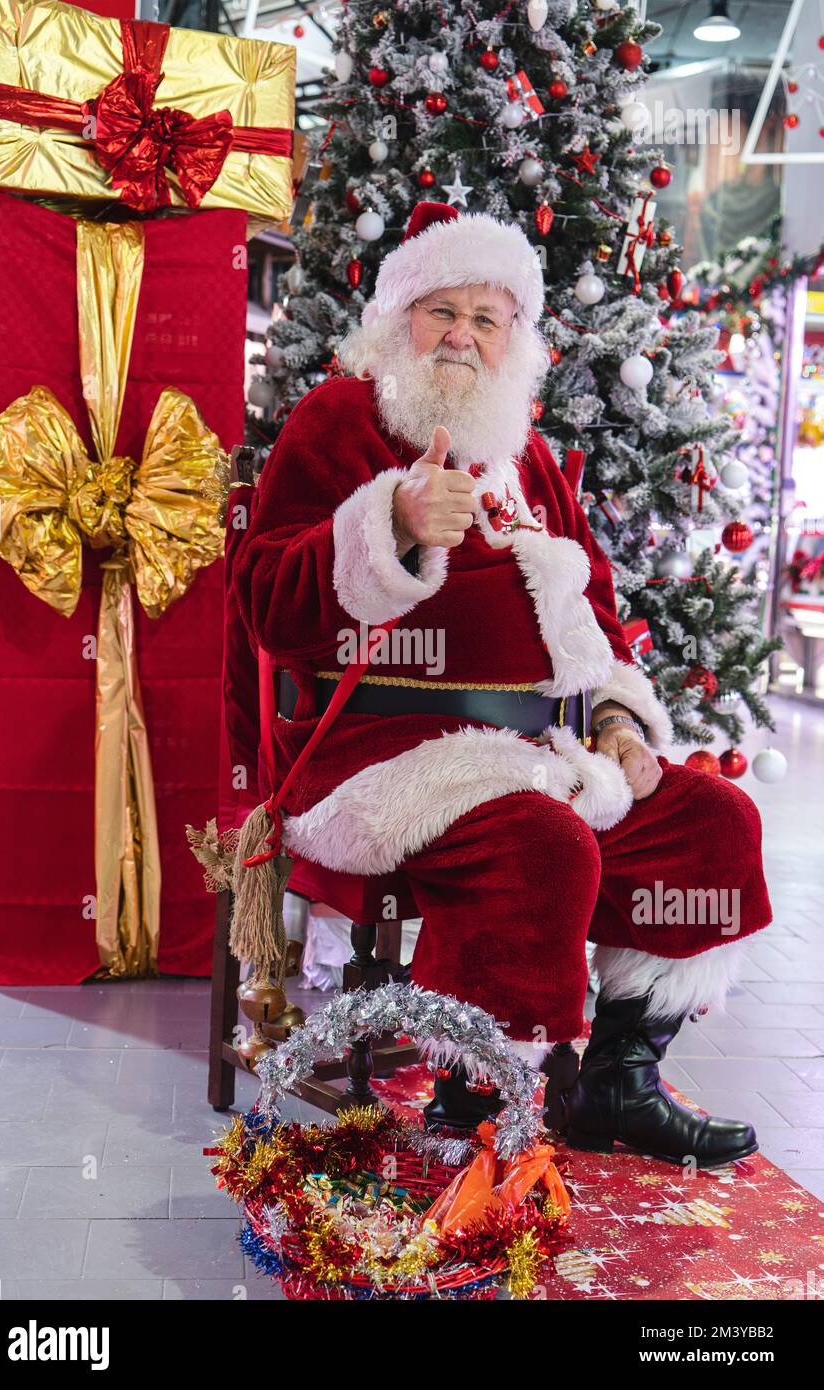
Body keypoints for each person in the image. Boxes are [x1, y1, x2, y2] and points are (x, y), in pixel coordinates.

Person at [235, 203, 771, 1166]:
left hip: (546, 750)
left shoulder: (524, 455)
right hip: (387, 754)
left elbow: (597, 614)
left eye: (489, 318)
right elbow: (268, 600)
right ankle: (481, 1102)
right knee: (542, 844)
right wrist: (389, 525)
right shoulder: (341, 420)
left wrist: (613, 713)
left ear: (515, 339)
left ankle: (617, 1081)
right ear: (401, 319)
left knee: (712, 821)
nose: (464, 337)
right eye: (445, 311)